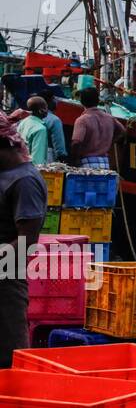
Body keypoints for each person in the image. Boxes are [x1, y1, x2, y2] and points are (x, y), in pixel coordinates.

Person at [0, 120, 47, 367]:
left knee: (9, 355)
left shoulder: (25, 181)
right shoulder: (6, 174)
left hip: (6, 283)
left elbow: (26, 243)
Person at [70, 86, 123, 169]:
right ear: (98, 101)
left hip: (87, 164)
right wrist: (110, 142)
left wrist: (73, 161)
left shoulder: (82, 120)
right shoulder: (109, 118)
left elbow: (76, 142)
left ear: (81, 102)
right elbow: (122, 131)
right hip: (105, 164)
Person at [16, 97, 50, 165]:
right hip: (30, 169)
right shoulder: (40, 129)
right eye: (46, 108)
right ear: (41, 110)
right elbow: (37, 160)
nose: (47, 110)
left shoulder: (23, 122)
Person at [40, 94, 68, 163]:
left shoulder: (25, 119)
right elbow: (59, 146)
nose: (56, 102)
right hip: (48, 157)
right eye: (54, 100)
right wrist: (62, 158)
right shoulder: (54, 120)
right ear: (49, 102)